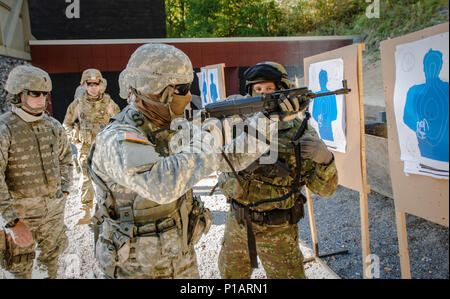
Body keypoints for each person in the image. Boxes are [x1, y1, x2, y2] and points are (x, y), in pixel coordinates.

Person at [88, 43, 301, 279]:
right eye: (182, 88)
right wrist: (207, 136)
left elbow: (230, 158)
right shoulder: (117, 139)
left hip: (180, 260)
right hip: (135, 269)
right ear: (157, 90)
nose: (189, 96)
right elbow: (162, 185)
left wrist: (267, 119)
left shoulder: (169, 127)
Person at [218, 61, 338, 279]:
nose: (264, 96)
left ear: (284, 91)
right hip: (238, 225)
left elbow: (325, 190)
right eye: (258, 90)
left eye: (270, 90)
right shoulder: (236, 126)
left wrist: (325, 160)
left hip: (279, 230)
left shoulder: (300, 132)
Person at [0, 65, 73, 278]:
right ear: (19, 94)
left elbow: (65, 160)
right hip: (21, 216)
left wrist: (65, 189)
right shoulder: (5, 129)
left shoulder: (53, 126)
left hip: (52, 213)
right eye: (35, 93)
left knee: (51, 262)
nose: (41, 98)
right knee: (19, 269)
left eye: (44, 93)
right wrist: (12, 221)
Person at [63, 69, 120, 225]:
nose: (94, 87)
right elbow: (66, 124)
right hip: (85, 148)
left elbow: (119, 123)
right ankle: (86, 212)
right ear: (84, 85)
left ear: (100, 84)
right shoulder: (78, 104)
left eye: (96, 83)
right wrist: (75, 137)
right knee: (86, 178)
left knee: (109, 179)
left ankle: (111, 210)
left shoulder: (108, 103)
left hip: (104, 149)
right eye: (90, 84)